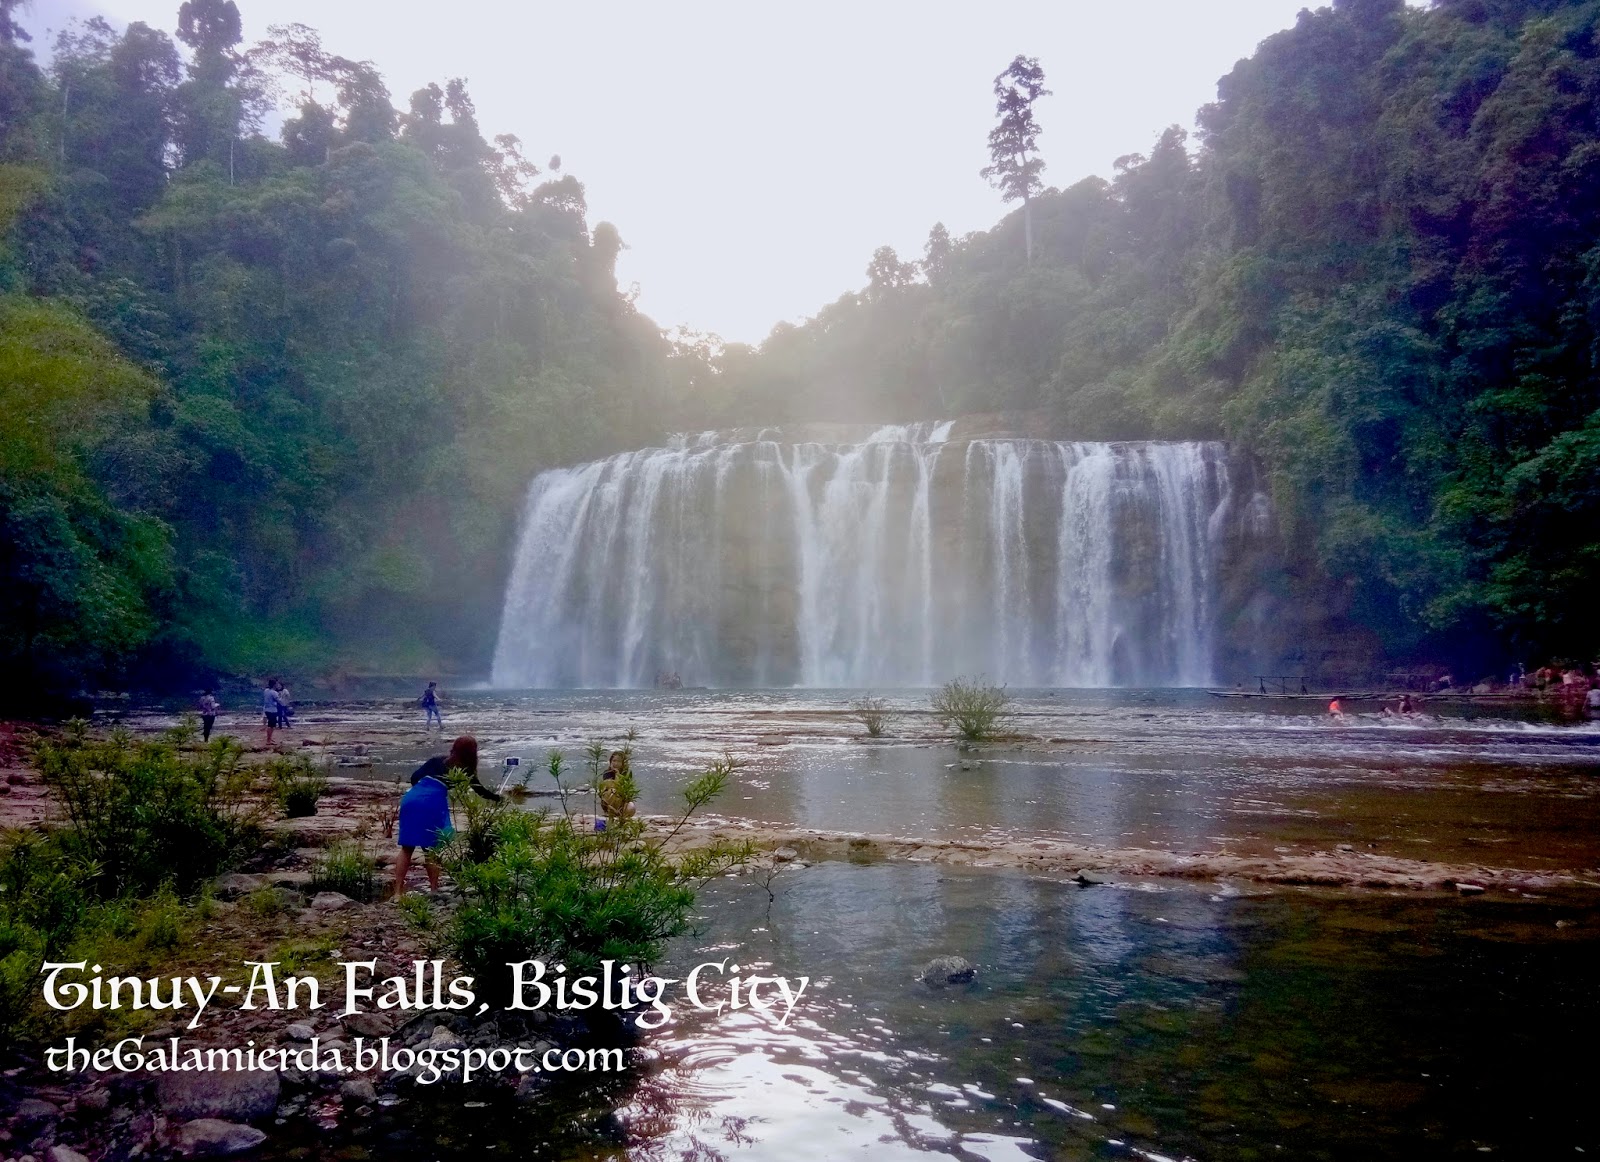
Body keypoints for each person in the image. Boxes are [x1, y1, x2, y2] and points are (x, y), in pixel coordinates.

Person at [393, 735, 500, 899]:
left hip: (411, 799)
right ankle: (434, 890)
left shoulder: (437, 760)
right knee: (430, 848)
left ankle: (398, 893)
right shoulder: (465, 769)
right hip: (432, 802)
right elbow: (480, 791)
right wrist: (498, 798)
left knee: (407, 848)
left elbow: (414, 778)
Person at [597, 750, 636, 829]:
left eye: (619, 761)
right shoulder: (607, 773)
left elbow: (623, 789)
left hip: (622, 801)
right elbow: (608, 788)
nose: (616, 763)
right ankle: (611, 820)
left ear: (623, 763)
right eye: (614, 761)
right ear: (610, 762)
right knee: (611, 793)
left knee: (631, 806)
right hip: (609, 800)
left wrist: (618, 774)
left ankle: (622, 821)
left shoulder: (627, 774)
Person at [262, 679, 281, 746]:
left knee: (270, 725)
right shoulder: (274, 693)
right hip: (272, 710)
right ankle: (268, 740)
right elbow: (279, 701)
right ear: (274, 685)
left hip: (266, 709)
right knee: (271, 726)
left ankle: (269, 738)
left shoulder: (266, 691)